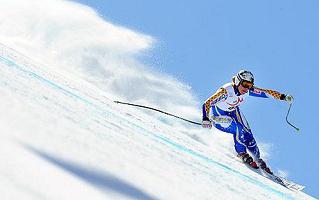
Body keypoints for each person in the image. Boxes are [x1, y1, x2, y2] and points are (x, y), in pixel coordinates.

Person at [202, 70, 293, 174]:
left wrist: (283, 97)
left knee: (248, 133)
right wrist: (205, 119)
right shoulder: (227, 91)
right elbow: (207, 103)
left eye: (249, 85)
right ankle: (242, 153)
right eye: (245, 84)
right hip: (218, 117)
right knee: (238, 128)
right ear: (237, 81)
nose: (246, 88)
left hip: (233, 112)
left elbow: (266, 92)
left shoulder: (248, 90)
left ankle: (257, 158)